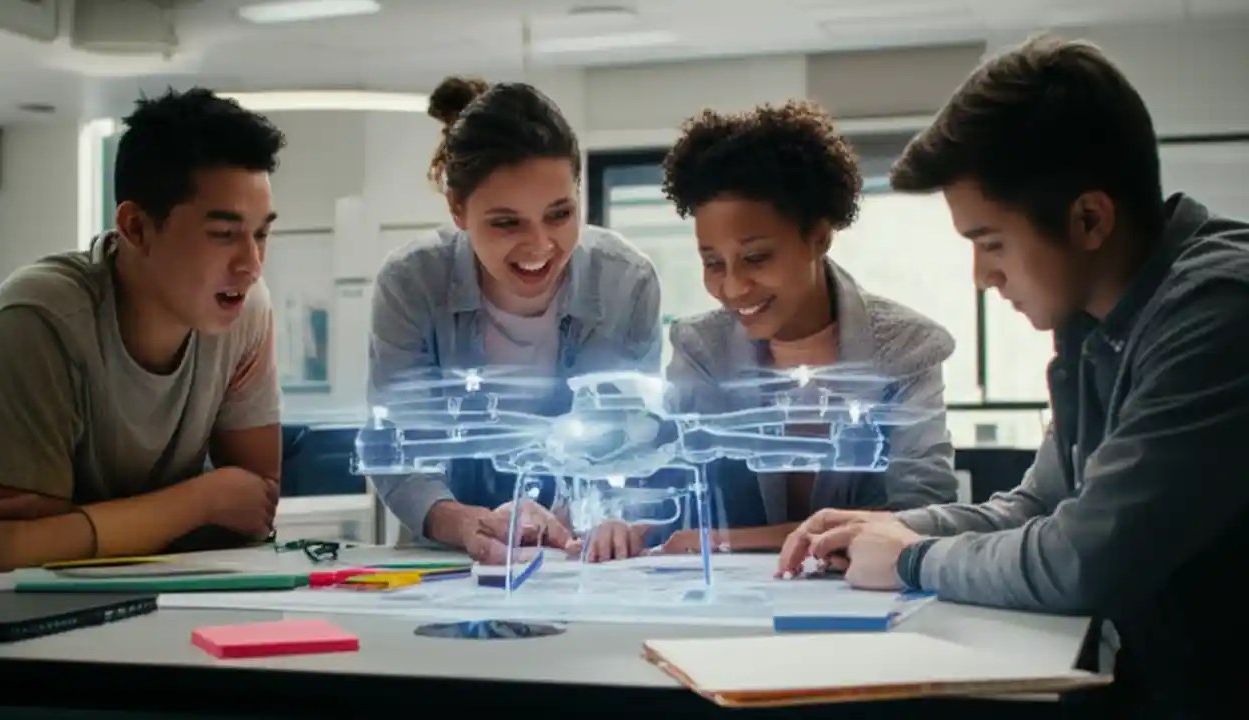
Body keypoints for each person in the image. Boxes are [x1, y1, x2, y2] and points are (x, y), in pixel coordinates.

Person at [778, 35, 1249, 718]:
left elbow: (1080, 560)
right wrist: (886, 526)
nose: (982, 277)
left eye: (991, 243)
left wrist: (910, 560)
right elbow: (1039, 507)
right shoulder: (1098, 327)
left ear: (1089, 218)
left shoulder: (1219, 312)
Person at [0, 88, 286, 575]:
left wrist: (71, 528)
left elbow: (254, 508)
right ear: (136, 228)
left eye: (261, 233)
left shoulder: (246, 311)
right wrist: (202, 500)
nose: (252, 265)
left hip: (172, 600)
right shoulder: (41, 318)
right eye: (224, 234)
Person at [367, 76, 662, 564]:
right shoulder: (411, 283)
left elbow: (624, 437)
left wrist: (561, 519)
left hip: (579, 553)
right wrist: (468, 525)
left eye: (560, 214)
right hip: (448, 560)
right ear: (457, 208)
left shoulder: (625, 282)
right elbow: (399, 449)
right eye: (507, 222)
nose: (540, 245)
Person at [644, 100, 958, 556]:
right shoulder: (702, 351)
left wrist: (720, 541)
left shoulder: (907, 349)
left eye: (756, 258)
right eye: (713, 263)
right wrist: (629, 523)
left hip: (864, 591)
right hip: (730, 594)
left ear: (819, 237)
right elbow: (669, 489)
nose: (732, 286)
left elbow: (921, 514)